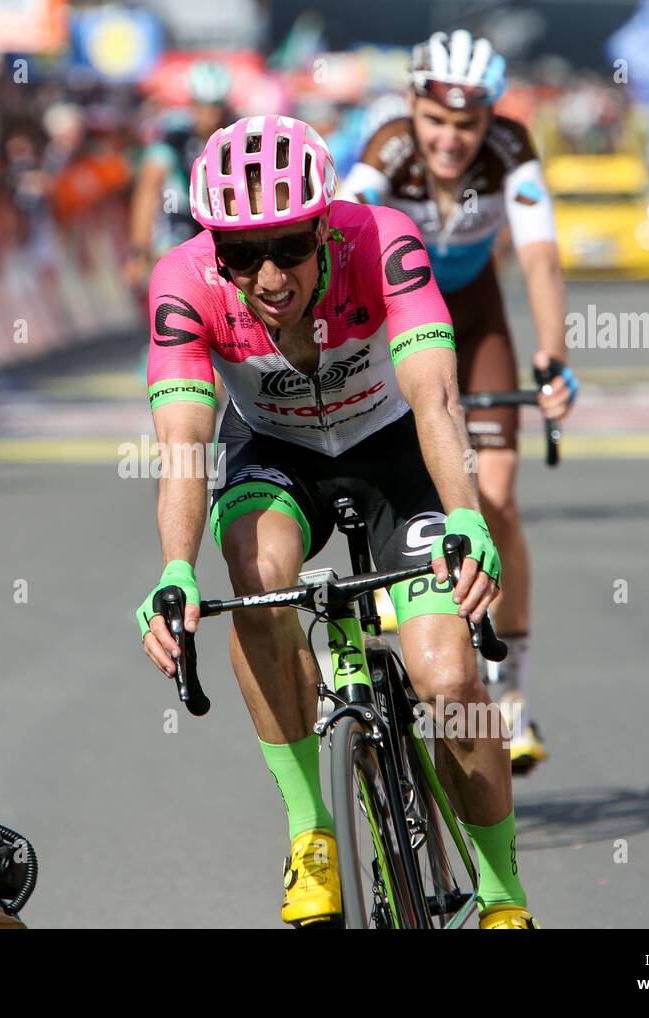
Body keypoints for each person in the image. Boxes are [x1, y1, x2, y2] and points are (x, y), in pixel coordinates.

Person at [136, 114, 538, 929]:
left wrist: (467, 516)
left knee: (449, 677)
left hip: (395, 447)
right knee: (255, 579)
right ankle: (311, 829)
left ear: (325, 227)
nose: (269, 275)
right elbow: (183, 444)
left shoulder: (382, 239)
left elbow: (435, 397)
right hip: (275, 453)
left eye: (288, 246)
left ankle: (502, 894)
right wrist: (176, 569)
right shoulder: (182, 281)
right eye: (241, 253)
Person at [339, 30, 577, 773]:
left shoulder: (510, 148)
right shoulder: (387, 150)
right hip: (395, 323)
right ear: (413, 106)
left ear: (487, 119)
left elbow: (539, 254)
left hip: (473, 320)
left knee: (496, 502)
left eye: (466, 125)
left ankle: (511, 690)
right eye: (436, 121)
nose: (449, 140)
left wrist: (553, 356)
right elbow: (343, 234)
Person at [125, 60, 234, 288]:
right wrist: (138, 250)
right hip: (181, 214)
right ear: (192, 103)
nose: (209, 114)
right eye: (202, 106)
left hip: (223, 216)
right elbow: (148, 186)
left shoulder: (236, 130)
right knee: (171, 264)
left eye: (216, 106)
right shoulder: (173, 133)